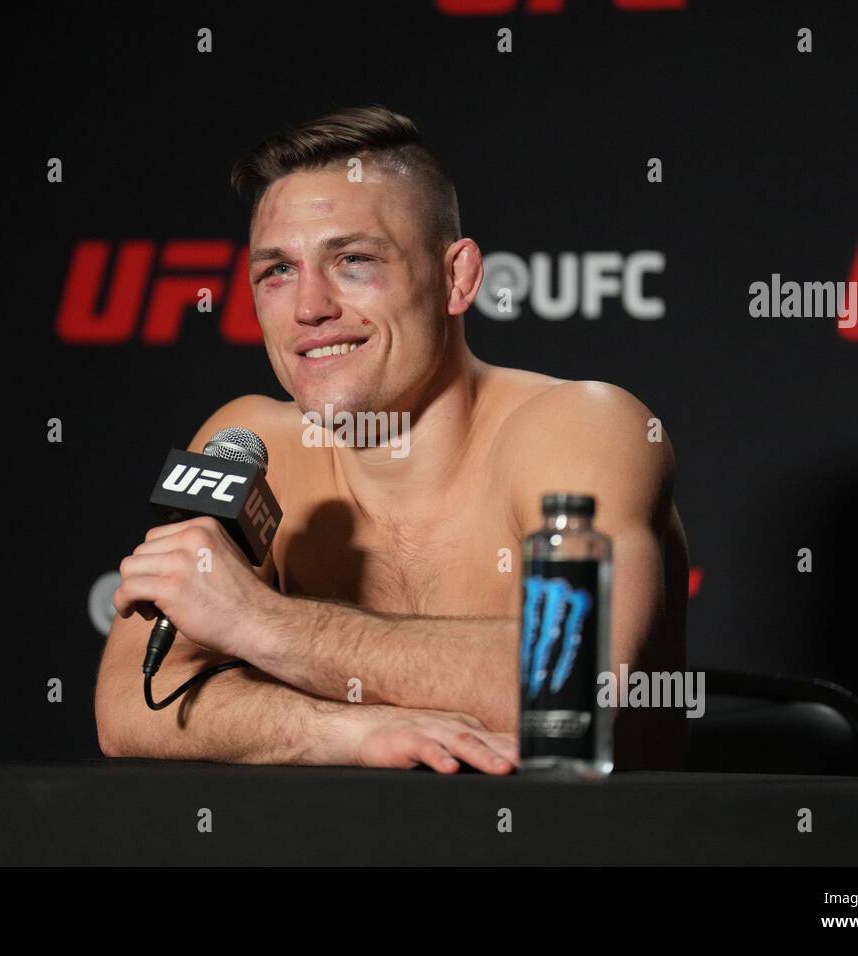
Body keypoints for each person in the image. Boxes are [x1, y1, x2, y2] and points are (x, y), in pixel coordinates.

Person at [95, 106, 689, 774]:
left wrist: (259, 622)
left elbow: (576, 684)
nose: (309, 308)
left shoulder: (580, 425)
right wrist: (344, 732)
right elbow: (130, 704)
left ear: (456, 278)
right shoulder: (253, 443)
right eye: (277, 272)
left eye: (353, 260)